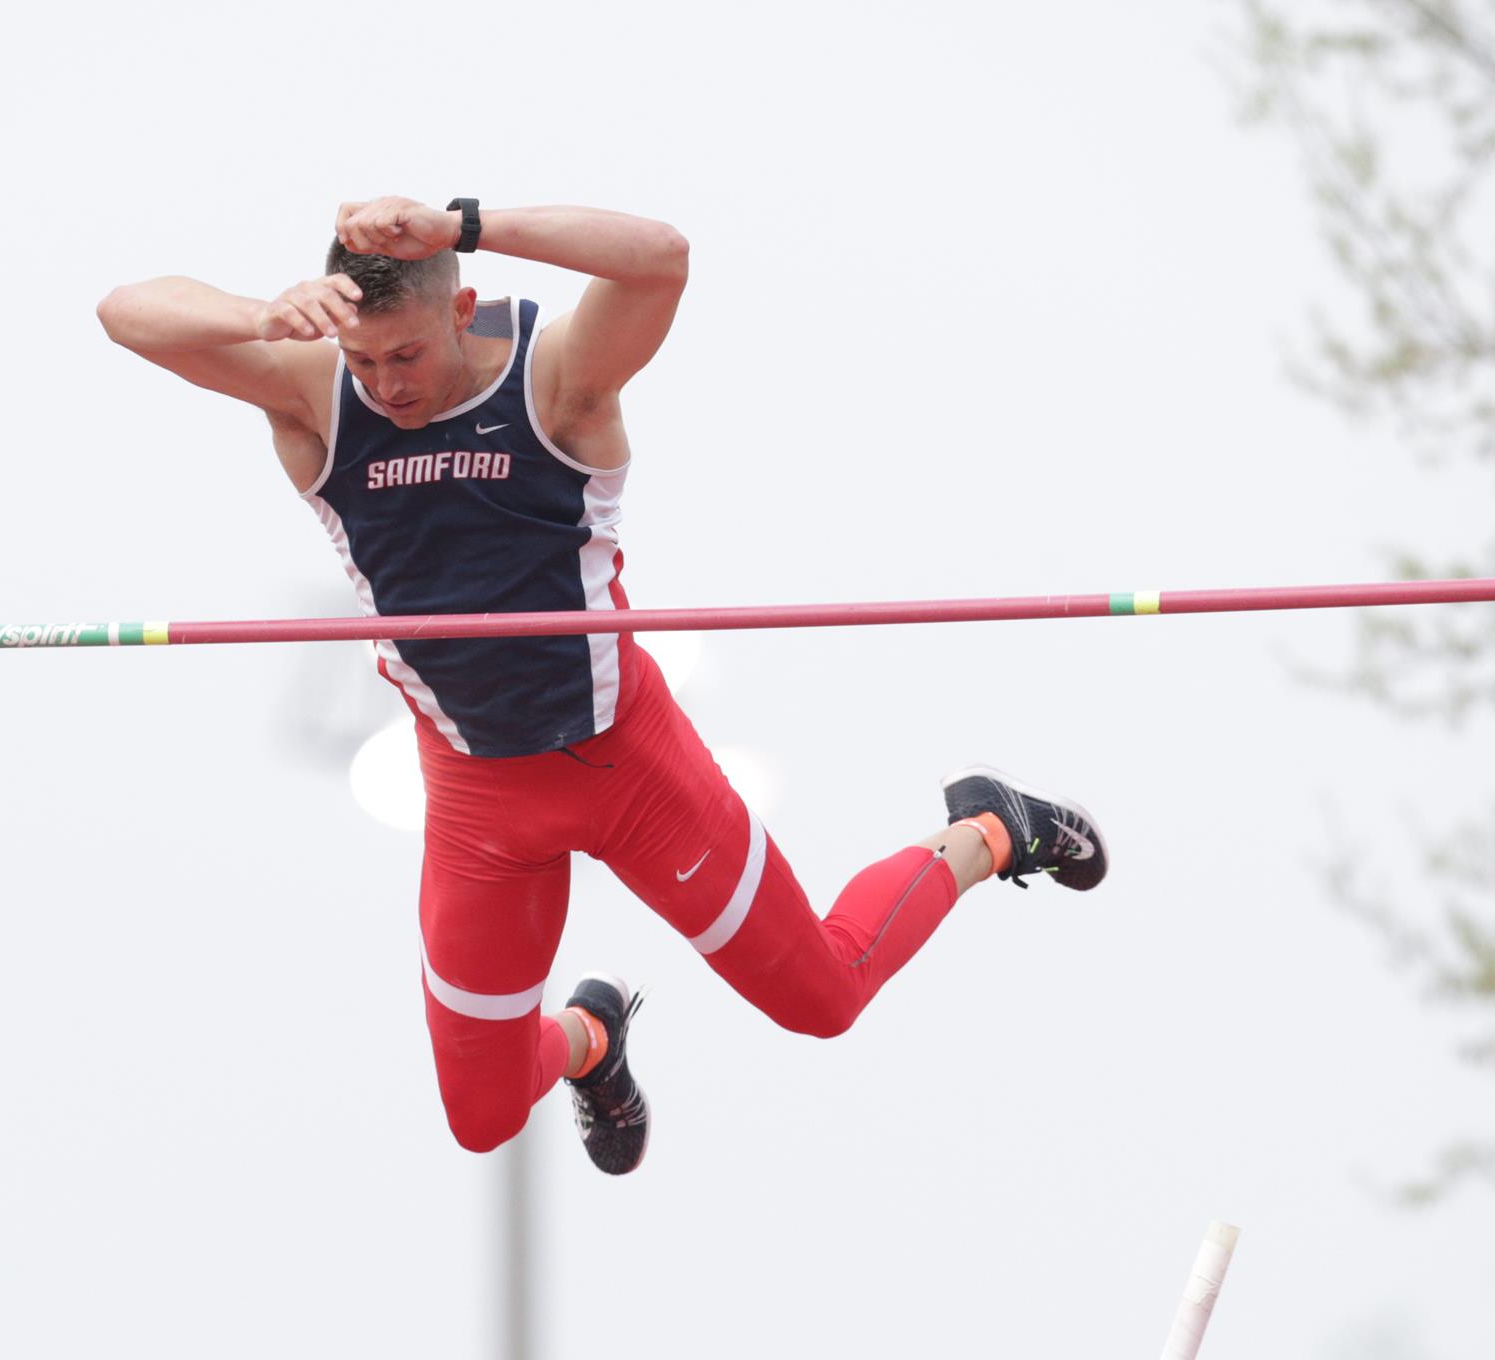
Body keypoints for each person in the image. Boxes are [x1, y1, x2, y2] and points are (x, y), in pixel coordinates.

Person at [96, 197, 1107, 1175]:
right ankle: (591, 1036)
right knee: (482, 1120)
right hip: (473, 801)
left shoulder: (557, 379)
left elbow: (659, 256)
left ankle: (988, 826)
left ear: (460, 306)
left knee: (824, 996)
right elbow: (122, 312)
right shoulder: (315, 391)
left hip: (626, 766)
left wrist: (465, 225)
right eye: (362, 360)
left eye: (404, 355)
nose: (386, 386)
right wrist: (257, 315)